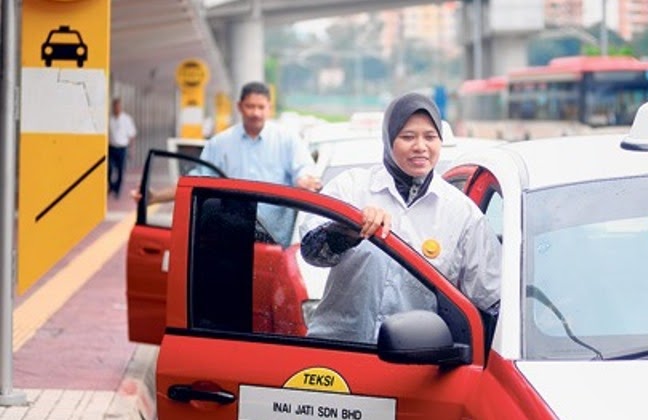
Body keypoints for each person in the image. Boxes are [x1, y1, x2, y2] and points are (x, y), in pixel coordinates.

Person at [299, 92, 502, 343]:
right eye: (408, 137)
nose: (420, 146)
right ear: (388, 139)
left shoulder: (462, 213)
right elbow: (312, 251)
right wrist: (348, 229)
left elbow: (490, 297)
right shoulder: (351, 187)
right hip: (339, 350)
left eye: (430, 137)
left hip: (412, 357)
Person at [140, 81, 321, 247]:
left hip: (277, 241)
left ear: (269, 108)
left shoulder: (288, 140)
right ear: (239, 106)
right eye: (250, 106)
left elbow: (303, 171)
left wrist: (304, 180)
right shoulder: (220, 144)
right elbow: (196, 181)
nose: (256, 113)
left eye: (261, 107)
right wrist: (155, 197)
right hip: (232, 239)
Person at [108, 98, 137, 199]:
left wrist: (132, 149)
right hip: (111, 148)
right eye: (115, 106)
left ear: (120, 107)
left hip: (122, 149)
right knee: (109, 168)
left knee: (121, 171)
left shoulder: (126, 119)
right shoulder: (110, 120)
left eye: (118, 106)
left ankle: (117, 190)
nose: (116, 108)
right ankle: (111, 186)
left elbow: (132, 135)